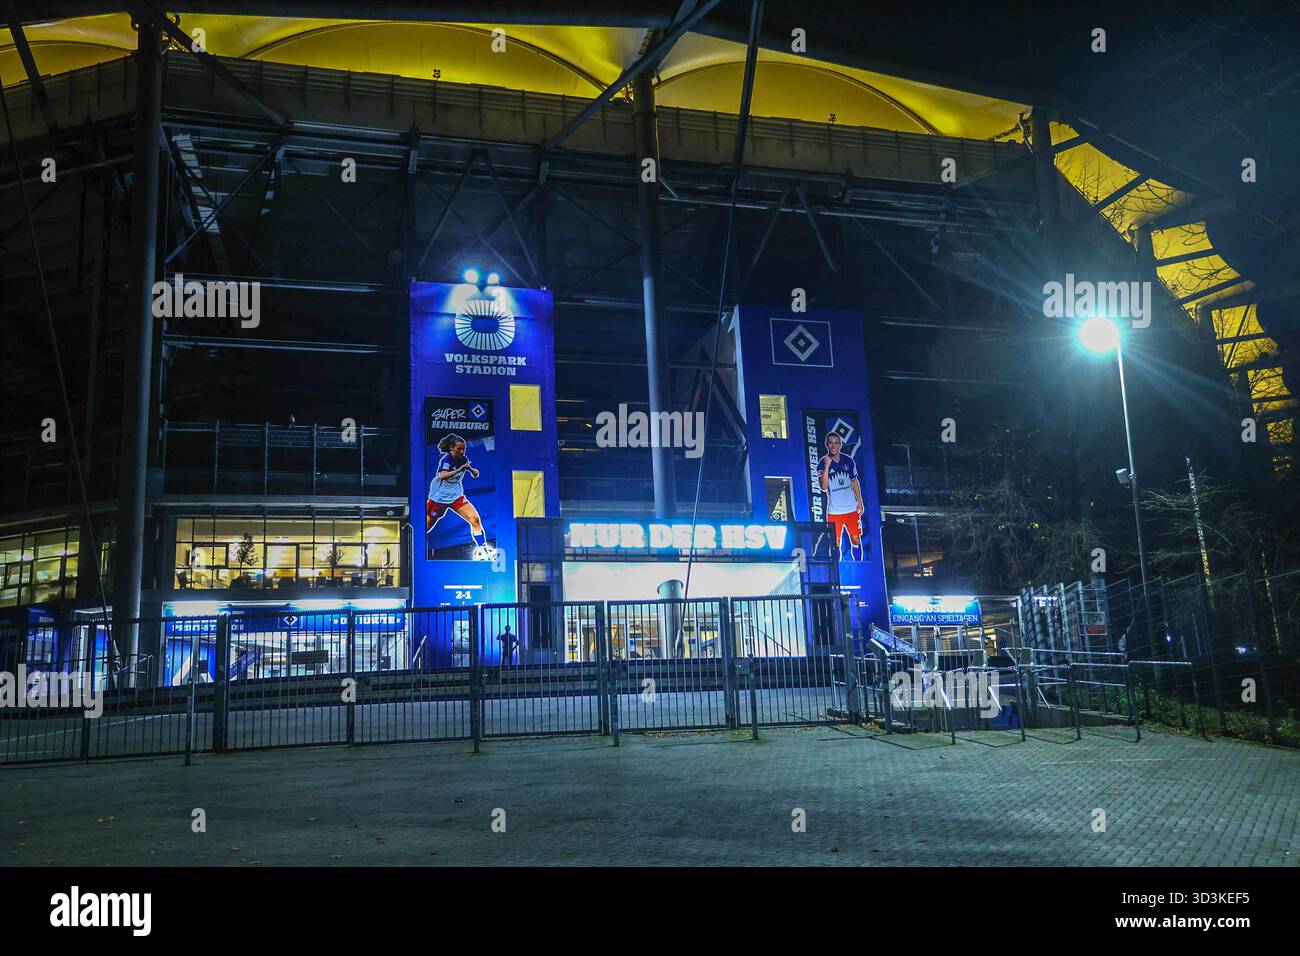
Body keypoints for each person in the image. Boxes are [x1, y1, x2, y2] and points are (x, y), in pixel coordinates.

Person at [426, 433, 493, 559]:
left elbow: (472, 472)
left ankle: (482, 547)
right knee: (427, 526)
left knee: (475, 519)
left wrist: (472, 471)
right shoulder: (446, 460)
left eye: (463, 449)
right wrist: (460, 469)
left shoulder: (463, 459)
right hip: (439, 498)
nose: (462, 451)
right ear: (452, 448)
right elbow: (442, 476)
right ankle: (416, 543)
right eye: (459, 449)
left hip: (456, 496)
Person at [819, 432, 865, 560]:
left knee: (855, 539)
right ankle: (838, 569)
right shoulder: (822, 463)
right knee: (836, 542)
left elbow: (854, 481)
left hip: (851, 508)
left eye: (836, 442)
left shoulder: (848, 461)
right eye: (830, 442)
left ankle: (858, 564)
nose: (833, 445)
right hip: (834, 511)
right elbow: (823, 486)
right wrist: (827, 466)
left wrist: (860, 501)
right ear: (827, 444)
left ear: (840, 445)